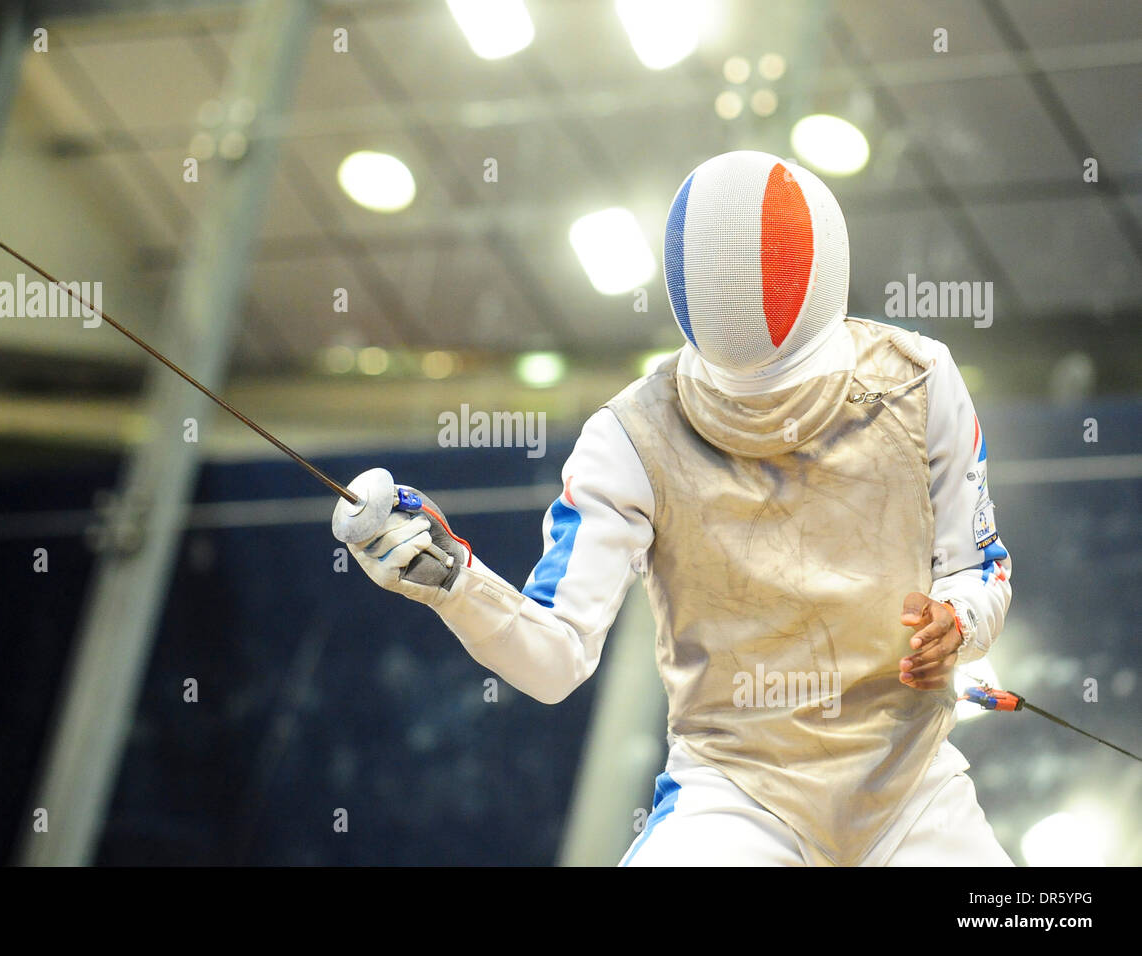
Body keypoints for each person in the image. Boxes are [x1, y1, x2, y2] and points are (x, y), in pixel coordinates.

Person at [336, 150, 1014, 866]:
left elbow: (980, 567)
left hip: (912, 791)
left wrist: (958, 620)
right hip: (738, 799)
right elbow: (555, 657)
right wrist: (455, 584)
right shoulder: (632, 438)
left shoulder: (919, 381)